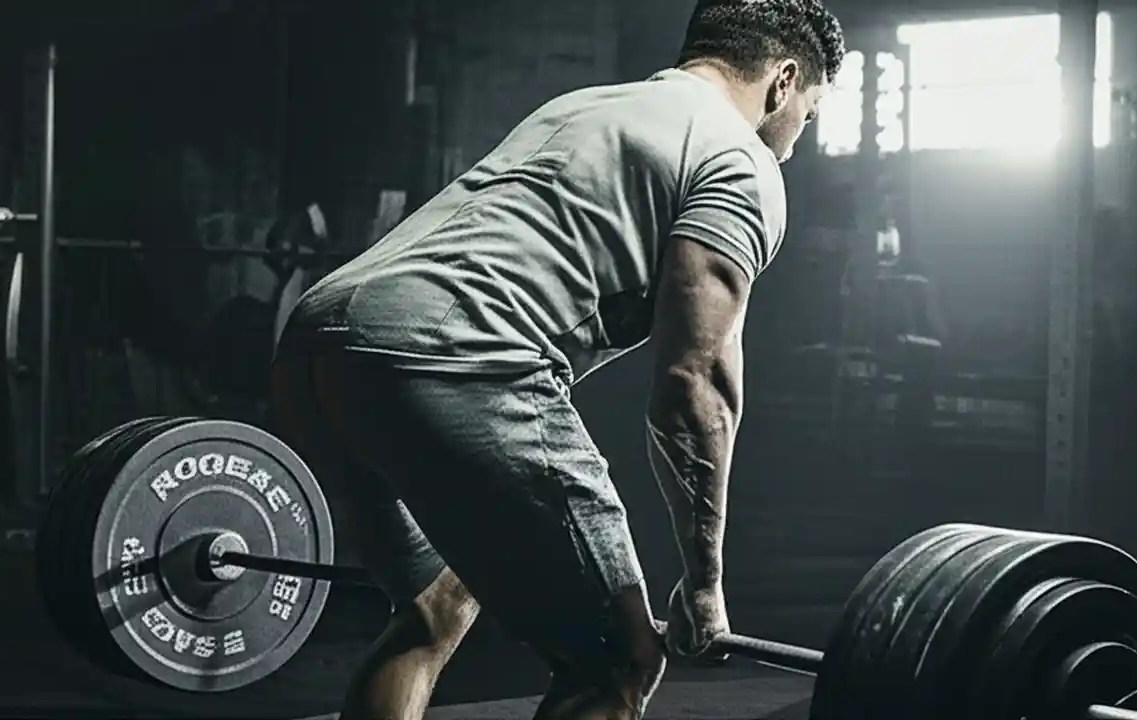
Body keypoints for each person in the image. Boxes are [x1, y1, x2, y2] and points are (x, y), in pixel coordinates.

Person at [268, 1, 844, 718]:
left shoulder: (583, 106)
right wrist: (702, 583)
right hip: (457, 354)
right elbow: (694, 383)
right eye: (809, 118)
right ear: (784, 81)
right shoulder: (740, 156)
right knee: (620, 660)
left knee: (434, 605)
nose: (793, 144)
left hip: (317, 341)